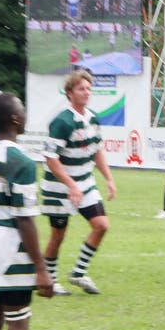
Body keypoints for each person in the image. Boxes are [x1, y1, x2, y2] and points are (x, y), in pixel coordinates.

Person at [0, 93, 54, 330]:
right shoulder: (21, 161)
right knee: (18, 321)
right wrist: (41, 269)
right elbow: (25, 218)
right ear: (15, 119)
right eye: (22, 109)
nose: (26, 113)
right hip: (8, 246)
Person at [40, 70, 117, 296]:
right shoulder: (62, 122)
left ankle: (78, 273)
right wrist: (71, 185)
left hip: (86, 184)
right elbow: (51, 158)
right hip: (59, 188)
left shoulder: (93, 118)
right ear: (70, 93)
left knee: (101, 225)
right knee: (58, 236)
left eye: (88, 89)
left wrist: (109, 179)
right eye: (81, 89)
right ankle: (50, 281)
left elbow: (97, 151)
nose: (86, 92)